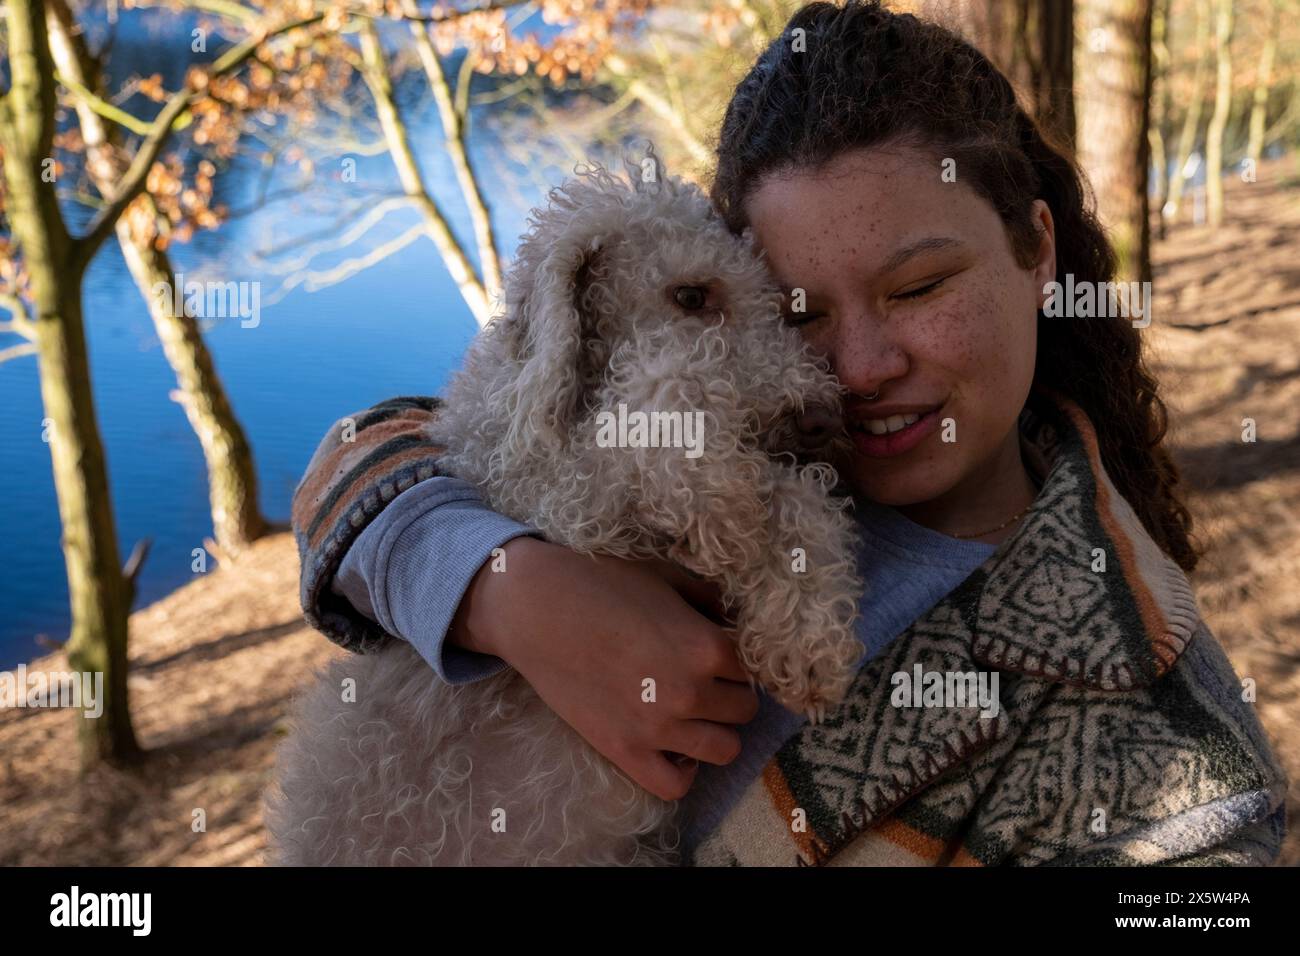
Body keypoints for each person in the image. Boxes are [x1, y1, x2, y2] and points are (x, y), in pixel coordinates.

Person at [290, 0, 1286, 865]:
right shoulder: (713, 439)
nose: (857, 369)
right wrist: (506, 590)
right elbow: (366, 455)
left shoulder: (1170, 751)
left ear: (1036, 252)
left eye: (920, 287)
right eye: (798, 309)